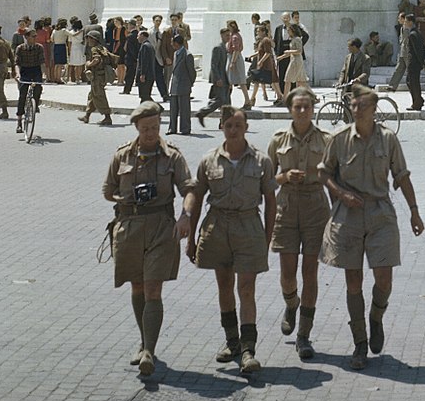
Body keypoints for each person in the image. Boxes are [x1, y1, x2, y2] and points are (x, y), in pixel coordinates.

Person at [318, 83, 424, 370]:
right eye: (353, 105)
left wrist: (414, 212)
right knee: (353, 282)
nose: (355, 110)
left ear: (374, 109)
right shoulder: (339, 138)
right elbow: (324, 173)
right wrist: (340, 195)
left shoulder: (388, 140)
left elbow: (401, 176)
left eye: (361, 106)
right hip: (349, 216)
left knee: (384, 279)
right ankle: (360, 343)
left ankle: (376, 317)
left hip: (380, 213)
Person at [103, 101, 194, 377]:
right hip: (129, 228)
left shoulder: (172, 157)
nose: (151, 133)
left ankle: (149, 352)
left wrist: (186, 215)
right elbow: (108, 189)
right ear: (137, 128)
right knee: (138, 287)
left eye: (155, 127)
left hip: (161, 228)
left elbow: (189, 188)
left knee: (154, 288)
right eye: (146, 129)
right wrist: (124, 200)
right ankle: (143, 342)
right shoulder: (122, 156)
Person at [183, 106, 277, 375]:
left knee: (246, 288)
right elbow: (197, 198)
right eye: (228, 125)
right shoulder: (208, 160)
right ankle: (231, 341)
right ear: (221, 128)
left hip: (249, 226)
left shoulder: (261, 161)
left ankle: (249, 350)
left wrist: (267, 238)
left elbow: (271, 202)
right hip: (217, 225)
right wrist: (191, 239)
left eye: (238, 125)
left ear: (246, 128)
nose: (233, 130)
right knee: (224, 285)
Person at [267, 88, 331, 360]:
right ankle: (291, 304)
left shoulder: (327, 140)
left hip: (316, 206)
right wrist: (284, 178)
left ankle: (304, 334)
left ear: (314, 108)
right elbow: (267, 180)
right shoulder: (278, 140)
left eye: (307, 106)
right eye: (297, 107)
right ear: (290, 110)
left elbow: (334, 177)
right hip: (288, 206)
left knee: (310, 271)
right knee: (288, 271)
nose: (303, 111)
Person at [78, 32, 115, 126]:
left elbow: (96, 59)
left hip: (97, 76)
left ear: (94, 39)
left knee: (99, 95)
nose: (88, 40)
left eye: (90, 38)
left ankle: (107, 117)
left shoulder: (95, 48)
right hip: (100, 75)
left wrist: (88, 65)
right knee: (92, 96)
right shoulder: (101, 48)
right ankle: (87, 116)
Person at [197, 28, 232, 125]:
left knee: (227, 102)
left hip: (224, 78)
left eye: (229, 35)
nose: (228, 37)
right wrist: (217, 79)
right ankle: (202, 112)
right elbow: (214, 65)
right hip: (219, 79)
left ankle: (224, 122)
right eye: (226, 35)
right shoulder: (218, 48)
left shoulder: (224, 48)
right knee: (220, 100)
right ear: (221, 36)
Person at [14, 28, 45, 134]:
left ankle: (35, 104)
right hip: (25, 71)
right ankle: (19, 121)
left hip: (36, 70)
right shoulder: (20, 48)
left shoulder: (39, 48)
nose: (35, 38)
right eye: (33, 36)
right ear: (26, 37)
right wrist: (18, 74)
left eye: (36, 36)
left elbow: (42, 63)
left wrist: (44, 74)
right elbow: (17, 63)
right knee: (22, 95)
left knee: (38, 88)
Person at [167, 34, 196, 136]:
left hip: (184, 85)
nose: (171, 44)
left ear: (176, 43)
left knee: (184, 109)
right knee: (173, 109)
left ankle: (185, 128)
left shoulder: (187, 55)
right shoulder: (175, 54)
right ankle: (172, 128)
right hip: (175, 85)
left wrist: (189, 83)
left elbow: (192, 72)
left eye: (172, 42)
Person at [402, 14, 425, 111]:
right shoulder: (417, 32)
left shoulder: (413, 34)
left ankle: (416, 103)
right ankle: (418, 100)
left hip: (414, 63)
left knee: (413, 83)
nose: (405, 23)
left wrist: (422, 62)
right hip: (415, 63)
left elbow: (418, 50)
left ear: (410, 22)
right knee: (411, 82)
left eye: (406, 21)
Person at [277, 27, 309, 97]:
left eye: (289, 30)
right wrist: (281, 57)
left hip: (296, 61)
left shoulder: (297, 39)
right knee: (301, 81)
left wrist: (289, 51)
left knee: (288, 80)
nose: (288, 32)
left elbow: (299, 51)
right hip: (294, 60)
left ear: (293, 31)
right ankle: (313, 97)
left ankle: (285, 99)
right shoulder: (293, 39)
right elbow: (291, 52)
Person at [226, 20, 251, 110]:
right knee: (234, 81)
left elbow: (236, 50)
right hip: (234, 58)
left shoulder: (235, 37)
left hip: (234, 58)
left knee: (238, 80)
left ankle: (247, 101)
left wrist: (232, 62)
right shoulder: (235, 36)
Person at [135, 28, 156, 103]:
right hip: (150, 75)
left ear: (142, 36)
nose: (137, 38)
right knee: (145, 96)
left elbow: (144, 61)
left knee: (144, 96)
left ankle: (157, 108)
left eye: (138, 36)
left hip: (146, 75)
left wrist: (142, 74)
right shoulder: (150, 45)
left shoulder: (145, 46)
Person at [51, 19, 69, 84]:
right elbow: (71, 35)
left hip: (56, 46)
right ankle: (59, 79)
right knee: (60, 64)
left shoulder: (54, 30)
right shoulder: (64, 30)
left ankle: (56, 78)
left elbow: (51, 39)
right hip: (62, 46)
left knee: (56, 64)